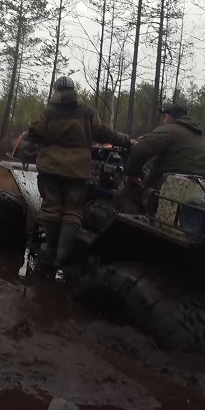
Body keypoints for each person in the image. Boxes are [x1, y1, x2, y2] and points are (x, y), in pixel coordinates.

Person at [26, 76, 133, 269]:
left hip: (50, 168)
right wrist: (127, 141)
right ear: (73, 89)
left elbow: (34, 132)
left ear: (56, 90)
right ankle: (61, 258)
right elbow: (104, 134)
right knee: (73, 210)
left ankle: (50, 250)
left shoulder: (49, 111)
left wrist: (45, 139)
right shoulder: (88, 112)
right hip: (78, 170)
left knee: (51, 208)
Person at [117, 103, 205, 215]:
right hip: (198, 197)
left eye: (165, 116)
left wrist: (132, 174)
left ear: (171, 117)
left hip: (169, 192)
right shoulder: (202, 140)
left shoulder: (170, 130)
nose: (163, 121)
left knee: (124, 196)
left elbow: (139, 149)